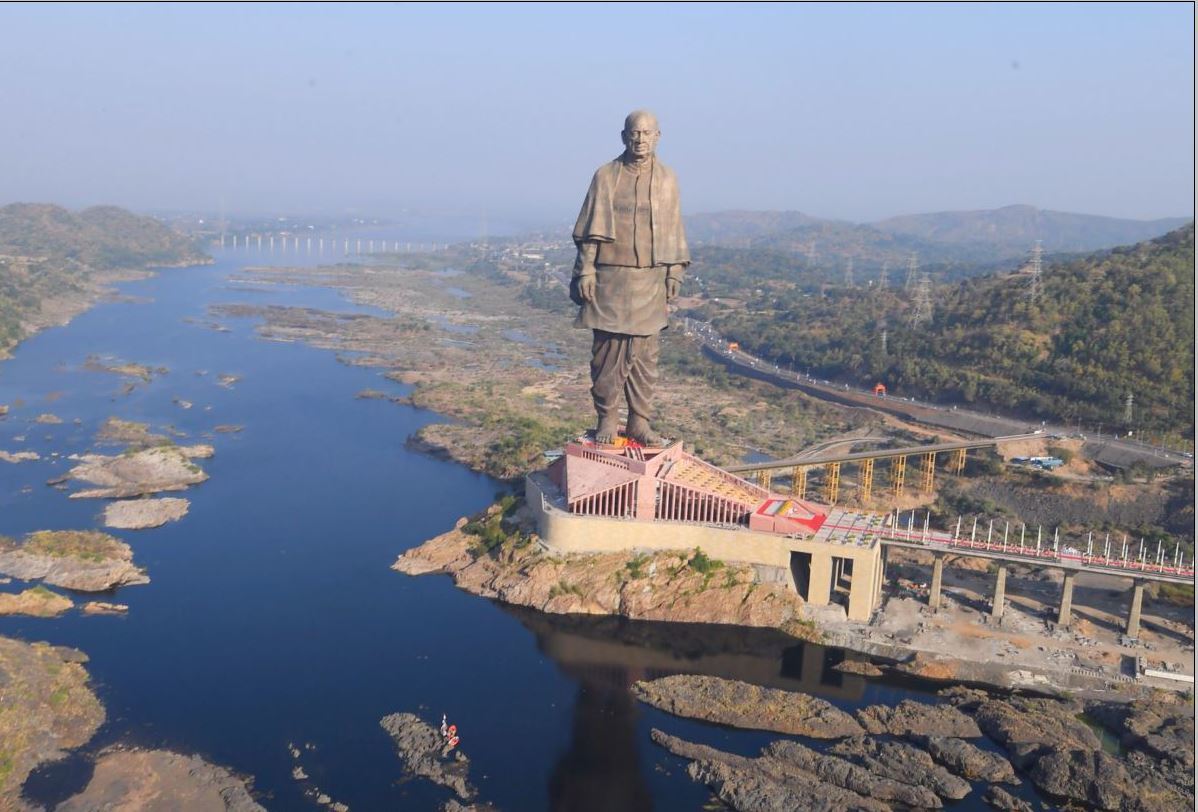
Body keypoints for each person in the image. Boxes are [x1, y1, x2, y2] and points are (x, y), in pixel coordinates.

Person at [570, 109, 690, 445]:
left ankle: (639, 420)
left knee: (645, 356)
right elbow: (590, 230)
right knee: (607, 353)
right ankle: (607, 416)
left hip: (650, 278)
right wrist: (587, 270)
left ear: (658, 137)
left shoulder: (668, 179)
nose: (640, 140)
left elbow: (673, 228)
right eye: (634, 133)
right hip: (611, 277)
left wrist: (674, 272)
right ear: (624, 136)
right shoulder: (606, 176)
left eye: (647, 133)